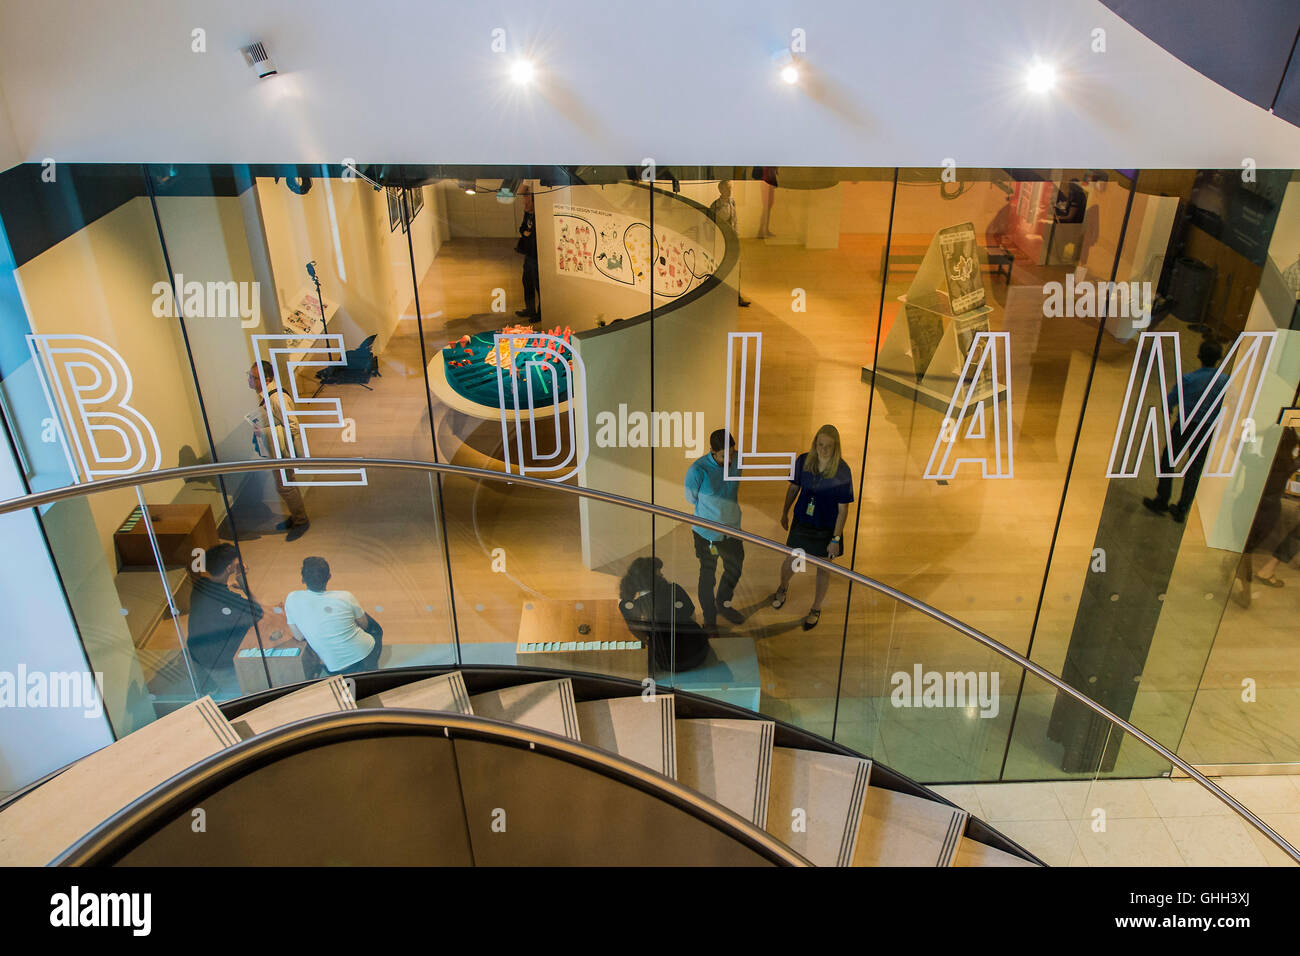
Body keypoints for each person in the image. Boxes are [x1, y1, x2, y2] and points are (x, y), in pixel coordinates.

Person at [772, 424, 854, 631]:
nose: (823, 450)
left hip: (827, 527)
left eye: (828, 446)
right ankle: (782, 587)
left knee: (823, 570)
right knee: (791, 559)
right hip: (803, 521)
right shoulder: (803, 461)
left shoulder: (843, 471)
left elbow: (843, 510)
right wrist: (784, 512)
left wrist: (835, 539)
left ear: (836, 448)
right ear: (815, 443)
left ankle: (816, 608)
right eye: (820, 444)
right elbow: (793, 488)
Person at [1142, 338, 1227, 523]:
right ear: (1218, 359)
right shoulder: (1225, 381)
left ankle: (1162, 498)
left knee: (1168, 459)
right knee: (1195, 468)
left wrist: (1170, 411)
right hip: (1206, 428)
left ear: (1199, 357)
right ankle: (1182, 508)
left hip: (1185, 425)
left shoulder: (1188, 379)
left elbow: (1169, 402)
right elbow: (1231, 404)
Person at [684, 429, 745, 628]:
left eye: (731, 453)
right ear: (712, 451)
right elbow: (690, 498)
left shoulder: (737, 460)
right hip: (706, 534)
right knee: (707, 575)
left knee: (734, 569)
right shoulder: (697, 470)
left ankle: (722, 603)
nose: (729, 459)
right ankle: (710, 619)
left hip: (732, 530)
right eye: (723, 455)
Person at [284, 556, 383, 675]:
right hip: (363, 655)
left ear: (303, 579)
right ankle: (370, 669)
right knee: (373, 626)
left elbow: (298, 636)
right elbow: (364, 625)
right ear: (329, 576)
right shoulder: (345, 597)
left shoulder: (291, 599)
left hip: (333, 667)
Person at [1235, 425, 1300, 604]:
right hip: (1268, 513)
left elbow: (1237, 444)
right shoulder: (1288, 466)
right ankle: (1240, 583)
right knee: (1247, 551)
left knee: (1242, 550)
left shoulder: (1256, 461)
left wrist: (1258, 433)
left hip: (1245, 507)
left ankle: (1243, 587)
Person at [186, 543, 263, 693]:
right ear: (229, 568)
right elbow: (258, 611)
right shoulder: (226, 601)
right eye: (236, 563)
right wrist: (243, 582)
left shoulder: (200, 585)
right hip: (217, 660)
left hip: (197, 651)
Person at [247, 360, 310, 541]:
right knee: (286, 484)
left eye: (254, 377)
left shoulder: (275, 398)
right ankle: (297, 516)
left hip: (283, 451)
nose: (250, 381)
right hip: (280, 449)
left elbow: (292, 425)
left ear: (266, 379)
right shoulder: (269, 395)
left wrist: (295, 455)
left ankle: (301, 520)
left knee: (285, 486)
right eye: (249, 376)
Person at [618, 556, 710, 672]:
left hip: (667, 662)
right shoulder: (674, 589)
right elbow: (692, 616)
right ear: (650, 578)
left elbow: (637, 632)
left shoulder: (628, 605)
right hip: (698, 652)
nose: (662, 575)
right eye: (659, 573)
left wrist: (654, 642)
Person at [709, 180, 750, 307]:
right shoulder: (715, 206)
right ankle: (721, 296)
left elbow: (735, 221)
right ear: (721, 190)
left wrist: (736, 237)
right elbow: (711, 225)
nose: (730, 191)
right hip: (721, 241)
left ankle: (736, 296)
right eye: (727, 188)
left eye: (731, 188)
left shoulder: (732, 202)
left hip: (731, 241)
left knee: (736, 268)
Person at [516, 185, 540, 319]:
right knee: (527, 281)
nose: (524, 204)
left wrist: (527, 233)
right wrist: (526, 233)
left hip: (538, 255)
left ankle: (541, 313)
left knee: (538, 285)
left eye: (527, 200)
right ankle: (530, 309)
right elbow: (522, 229)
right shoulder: (528, 214)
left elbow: (535, 234)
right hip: (529, 254)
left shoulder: (539, 216)